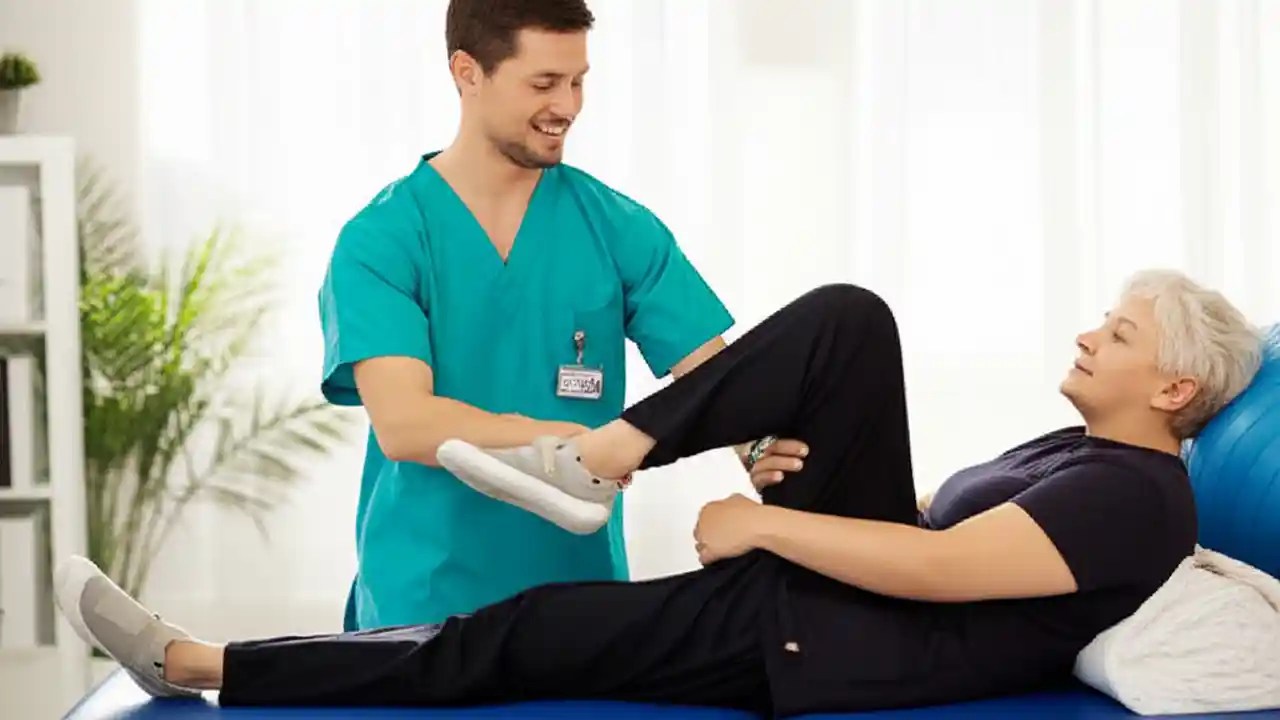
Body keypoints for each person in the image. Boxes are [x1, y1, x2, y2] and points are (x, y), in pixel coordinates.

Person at [55, 270, 1263, 716]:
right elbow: (930, 541)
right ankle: (603, 458)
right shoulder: (1081, 460)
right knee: (850, 322)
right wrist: (789, 482)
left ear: (1172, 388)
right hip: (853, 601)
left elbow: (945, 572)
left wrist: (759, 520)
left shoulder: (1139, 499)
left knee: (511, 640)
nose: (1088, 335)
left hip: (830, 642)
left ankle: (201, 665)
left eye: (1118, 332)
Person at [319, 0, 806, 631]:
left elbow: (715, 381)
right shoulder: (384, 238)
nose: (568, 106)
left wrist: (761, 449)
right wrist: (577, 441)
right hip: (424, 602)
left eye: (577, 81)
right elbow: (406, 425)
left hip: (578, 607)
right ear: (467, 72)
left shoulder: (617, 229)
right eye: (543, 83)